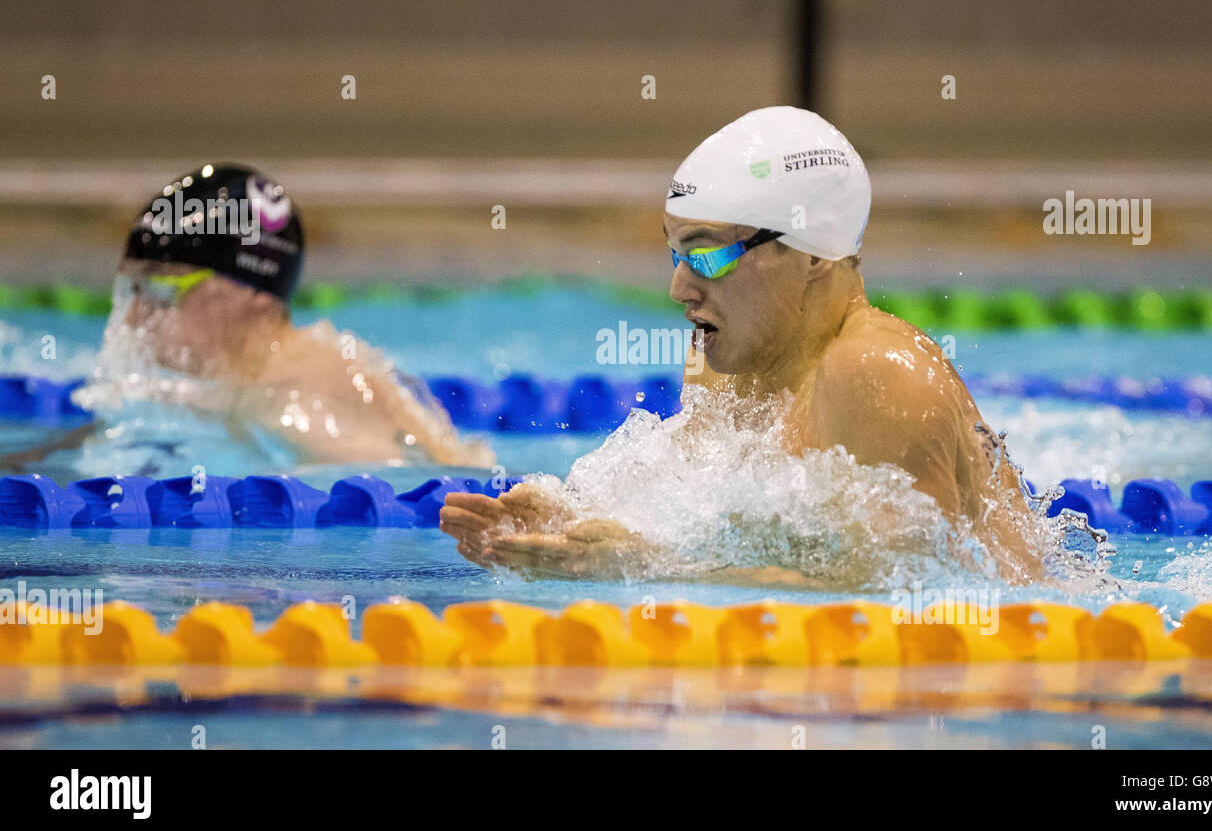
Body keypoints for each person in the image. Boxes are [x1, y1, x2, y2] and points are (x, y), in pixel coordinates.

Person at [440, 107, 1043, 587]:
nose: (679, 286)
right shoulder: (720, 363)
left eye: (705, 254)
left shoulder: (875, 374)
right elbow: (703, 524)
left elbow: (913, 595)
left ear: (811, 253)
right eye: (676, 254)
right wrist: (570, 531)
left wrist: (646, 568)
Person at [2, 163, 491, 472]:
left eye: (158, 290)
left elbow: (388, 515)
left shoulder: (299, 396)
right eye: (130, 289)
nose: (133, 317)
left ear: (253, 296)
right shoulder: (230, 388)